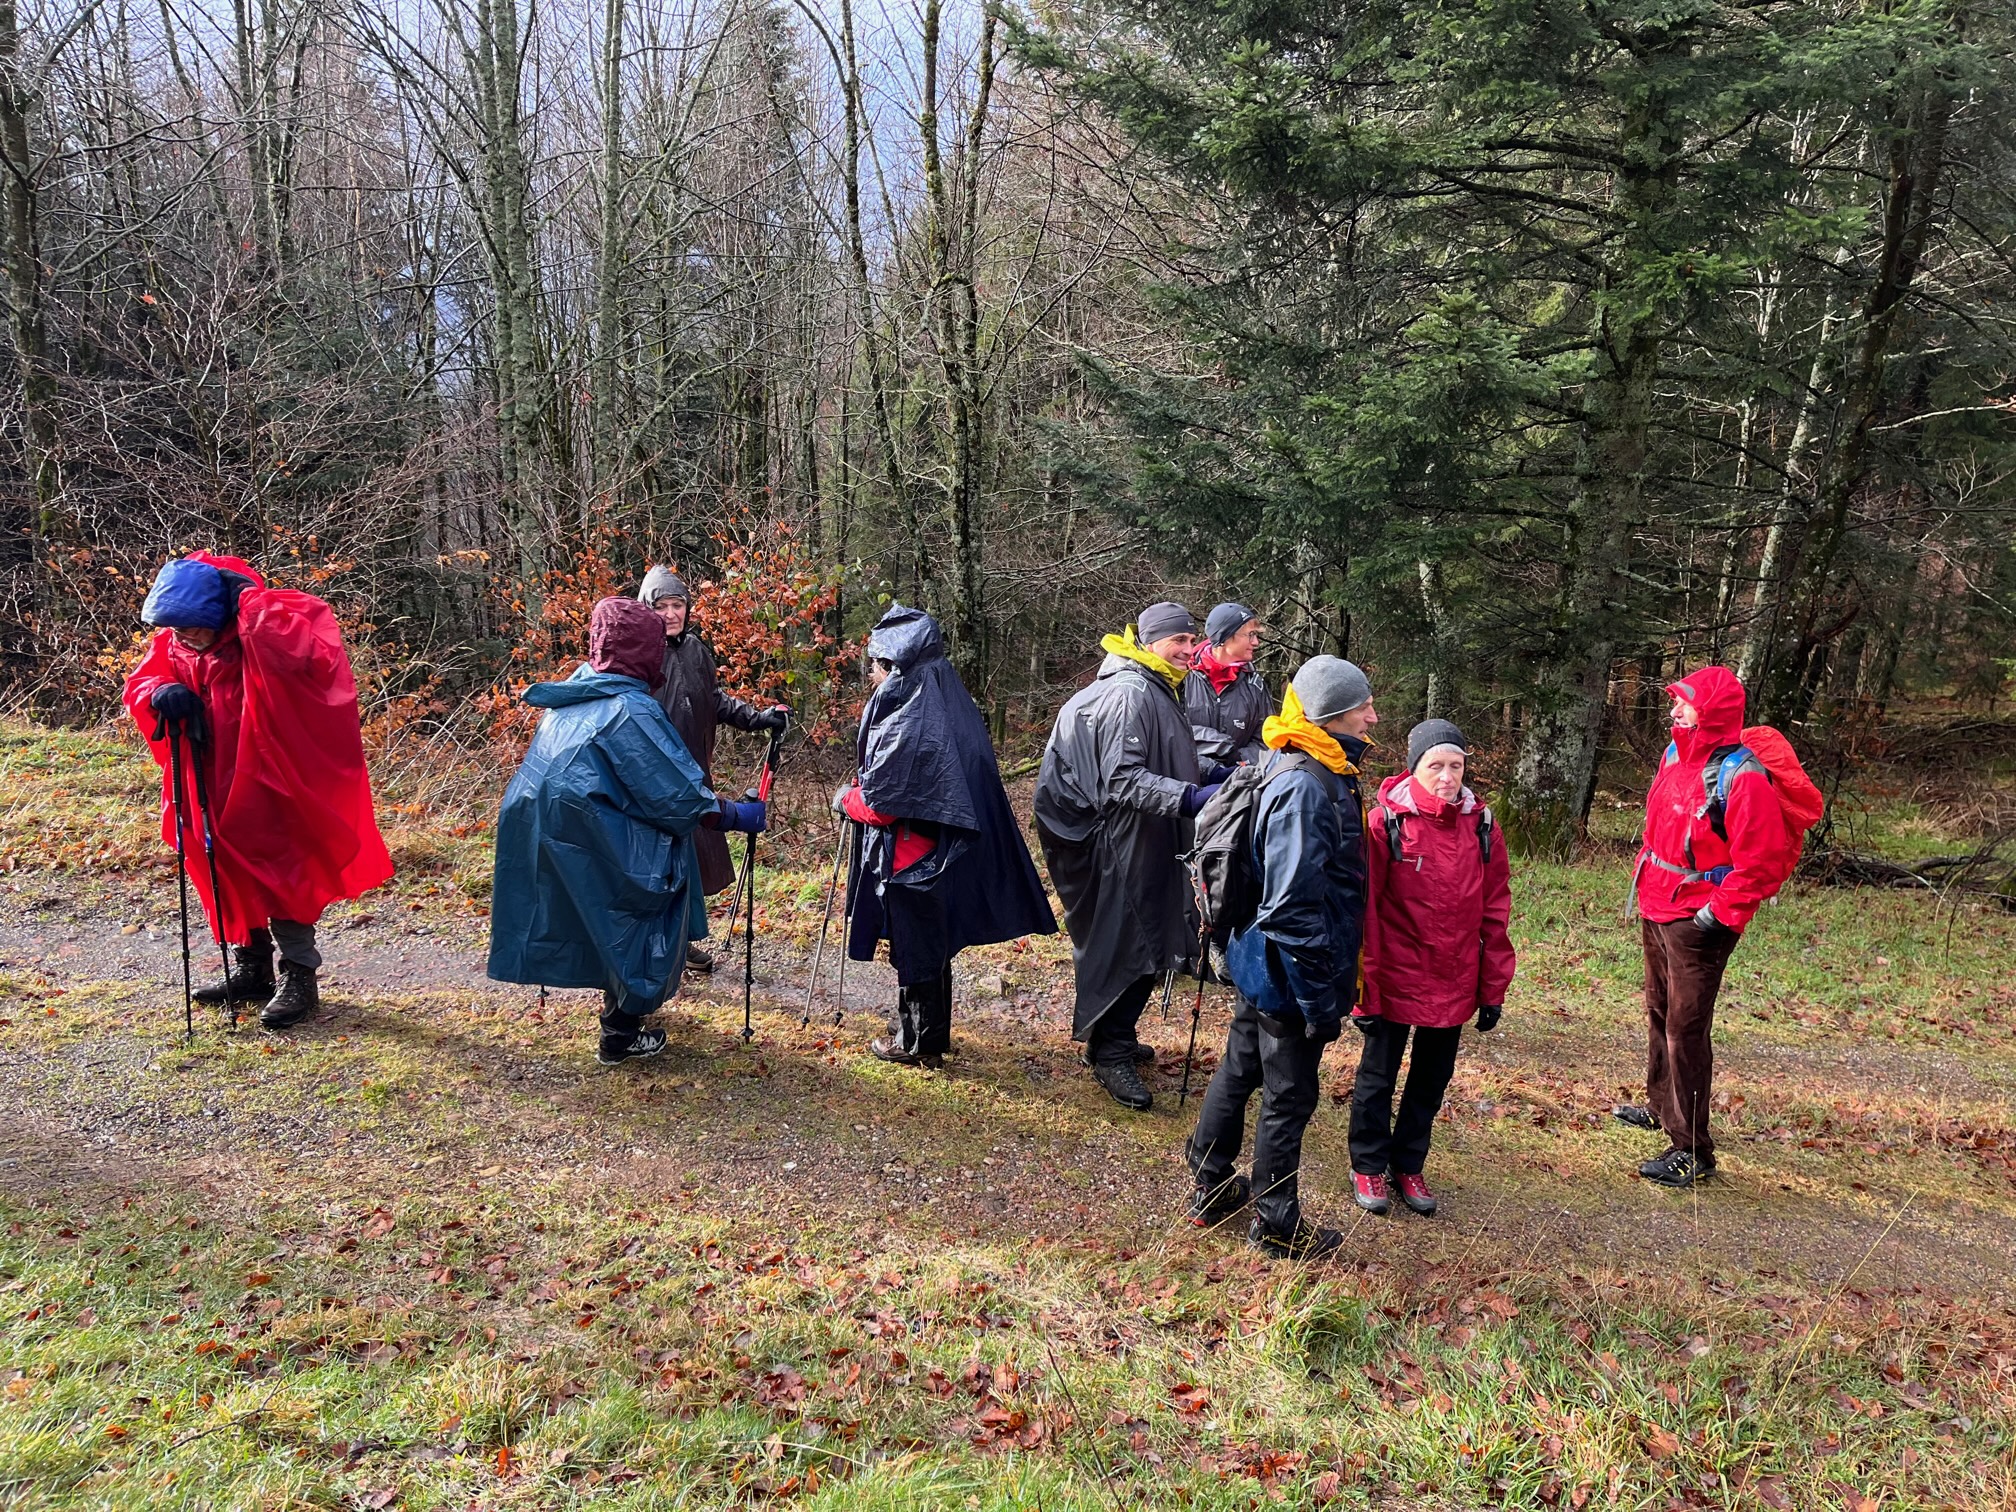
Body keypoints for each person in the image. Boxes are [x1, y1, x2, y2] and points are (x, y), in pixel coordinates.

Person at [488, 596, 767, 1065]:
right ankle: (620, 1032)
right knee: (637, 912)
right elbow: (676, 796)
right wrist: (738, 815)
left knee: (603, 919)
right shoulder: (627, 710)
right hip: (602, 839)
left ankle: (619, 1021)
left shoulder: (578, 691)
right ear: (642, 649)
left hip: (554, 833)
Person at [123, 554, 392, 1030]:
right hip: (204, 773)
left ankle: (299, 975)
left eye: (191, 627)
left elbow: (301, 653)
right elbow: (144, 679)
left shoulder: (262, 627)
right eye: (175, 628)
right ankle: (251, 967)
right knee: (218, 862)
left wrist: (250, 603)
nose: (182, 637)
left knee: (280, 866)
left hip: (268, 772)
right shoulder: (179, 641)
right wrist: (161, 691)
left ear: (216, 616)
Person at [1185, 657, 1376, 1260]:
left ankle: (1211, 1188)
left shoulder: (1300, 760)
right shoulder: (1306, 785)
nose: (1373, 715)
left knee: (1240, 1068)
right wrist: (1322, 1001)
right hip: (1287, 971)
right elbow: (1294, 908)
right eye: (1363, 706)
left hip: (1257, 961)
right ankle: (1275, 1221)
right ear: (1331, 715)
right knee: (1288, 1095)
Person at [834, 605, 1056, 1067]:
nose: (873, 676)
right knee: (931, 950)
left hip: (914, 857)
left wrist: (846, 800)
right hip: (941, 854)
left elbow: (882, 806)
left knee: (917, 952)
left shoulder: (910, 711)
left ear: (891, 664)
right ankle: (925, 1032)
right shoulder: (947, 695)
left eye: (875, 666)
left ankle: (918, 1043)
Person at [1615, 666, 1796, 1188]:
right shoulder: (1675, 755)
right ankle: (1662, 1108)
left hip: (1700, 919)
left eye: (1684, 703)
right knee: (1658, 1008)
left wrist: (1714, 915)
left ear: (1710, 711)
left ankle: (1692, 1149)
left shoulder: (1743, 776)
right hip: (1657, 902)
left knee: (1685, 1028)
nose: (1673, 711)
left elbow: (1757, 864)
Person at [1034, 602, 1217, 1110]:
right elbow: (1122, 779)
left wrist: (1207, 774)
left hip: (1133, 833)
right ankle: (1108, 1051)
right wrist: (1190, 798)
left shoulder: (1154, 686)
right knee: (1127, 939)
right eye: (1177, 641)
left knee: (1147, 932)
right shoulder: (1129, 692)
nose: (1187, 650)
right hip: (1106, 839)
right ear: (1149, 641)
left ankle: (1115, 1035)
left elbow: (1160, 753)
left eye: (1191, 640)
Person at [1347, 718, 1515, 1217]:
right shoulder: (1385, 823)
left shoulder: (1482, 826)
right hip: (1395, 973)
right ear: (1413, 767)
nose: (1446, 776)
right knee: (1378, 1075)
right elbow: (1367, 910)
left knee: (1431, 1077)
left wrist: (1493, 988)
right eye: (1435, 765)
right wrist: (1365, 990)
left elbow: (1494, 909)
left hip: (1454, 975)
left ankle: (1408, 1162)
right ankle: (1368, 1164)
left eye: (1456, 765)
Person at [636, 566, 790, 971]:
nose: (671, 613)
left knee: (691, 868)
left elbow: (712, 700)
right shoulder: (639, 655)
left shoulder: (696, 651)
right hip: (653, 782)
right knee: (657, 869)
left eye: (678, 605)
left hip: (694, 775)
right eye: (662, 606)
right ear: (646, 608)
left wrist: (758, 718)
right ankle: (654, 952)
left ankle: (681, 943)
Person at [1185, 603, 1270, 769]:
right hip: (1188, 785)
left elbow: (1266, 740)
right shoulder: (1183, 677)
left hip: (1237, 784)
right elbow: (1171, 733)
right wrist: (1218, 749)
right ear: (1224, 636)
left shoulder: (1255, 685)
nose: (1256, 642)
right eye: (1250, 635)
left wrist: (1237, 762)